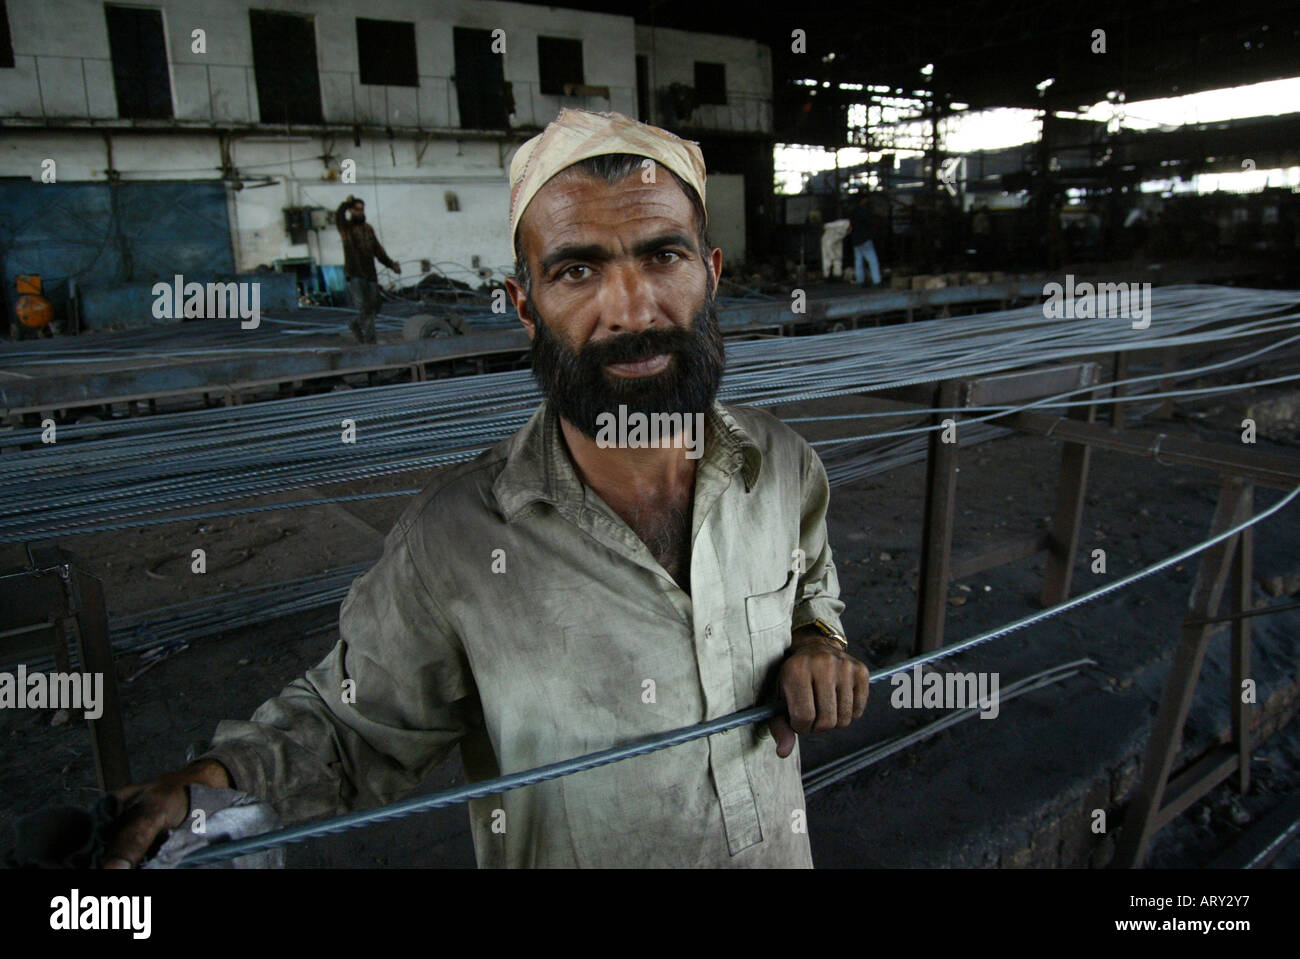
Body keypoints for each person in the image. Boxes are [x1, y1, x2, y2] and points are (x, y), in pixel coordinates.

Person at [102, 109, 869, 869]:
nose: (631, 308)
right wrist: (209, 784)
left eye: (663, 255)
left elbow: (811, 584)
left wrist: (817, 638)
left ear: (711, 273)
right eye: (577, 270)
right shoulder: (459, 540)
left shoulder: (782, 464)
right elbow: (349, 727)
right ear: (526, 306)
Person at [336, 196, 400, 343]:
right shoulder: (346, 228)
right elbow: (339, 216)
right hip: (355, 274)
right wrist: (346, 203)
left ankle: (356, 324)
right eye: (357, 209)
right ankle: (371, 341)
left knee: (375, 305)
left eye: (362, 209)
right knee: (365, 308)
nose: (360, 212)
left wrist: (391, 265)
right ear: (351, 211)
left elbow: (378, 250)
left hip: (370, 274)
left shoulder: (368, 229)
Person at [849, 193, 882, 286]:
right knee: (872, 260)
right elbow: (871, 222)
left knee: (858, 261)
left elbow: (851, 226)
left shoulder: (853, 212)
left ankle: (860, 281)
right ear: (863, 200)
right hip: (864, 239)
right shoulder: (864, 211)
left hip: (856, 239)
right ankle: (877, 280)